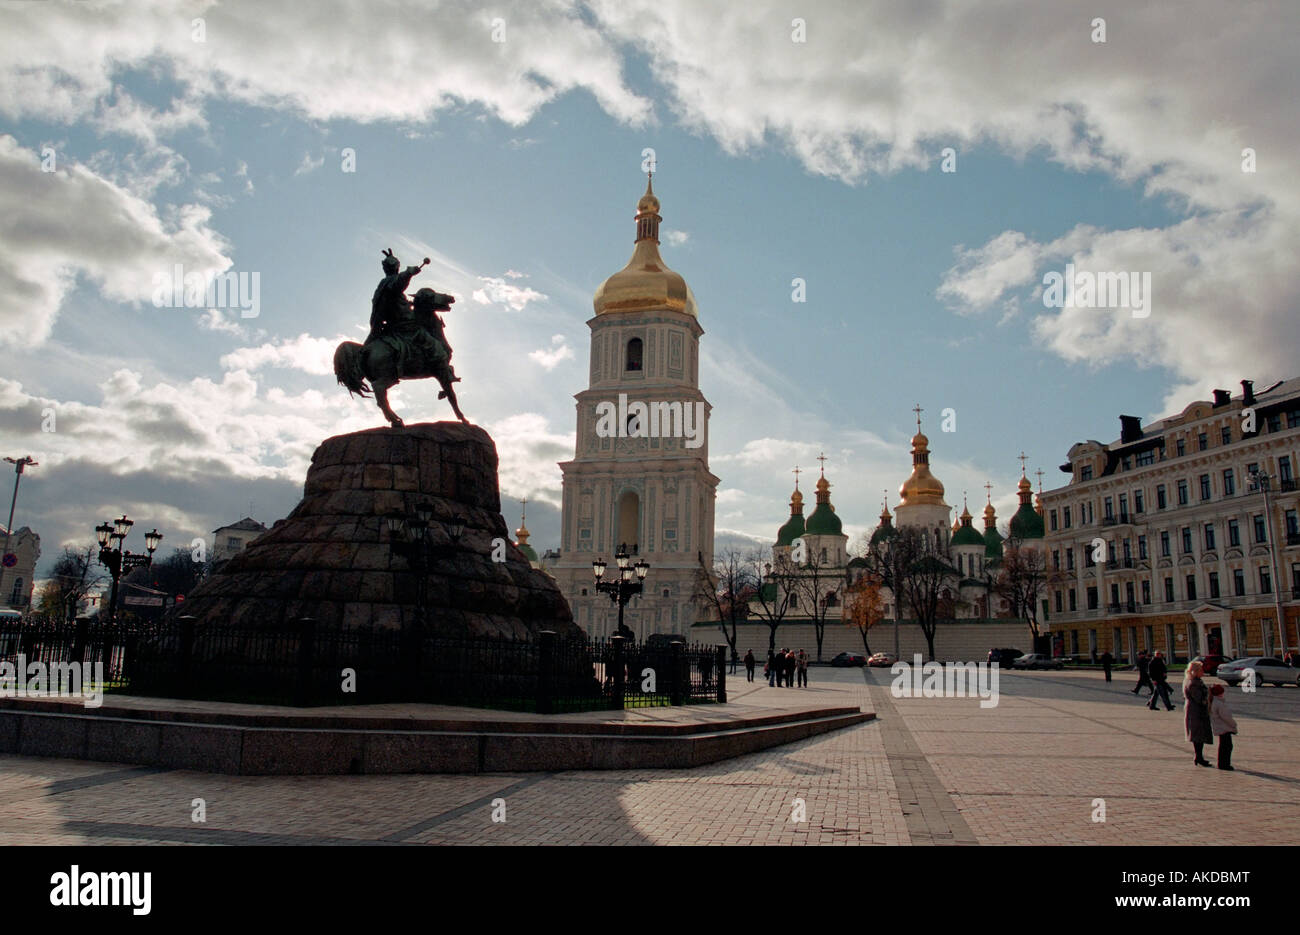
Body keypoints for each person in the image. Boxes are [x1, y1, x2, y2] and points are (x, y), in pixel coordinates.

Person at [1183, 660, 1214, 766]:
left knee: (1199, 735)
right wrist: (1209, 695)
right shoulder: (1193, 683)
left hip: (1197, 710)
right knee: (1197, 734)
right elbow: (1199, 698)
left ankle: (1199, 757)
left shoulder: (1196, 681)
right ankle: (1198, 757)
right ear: (1195, 671)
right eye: (1201, 670)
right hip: (1195, 711)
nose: (1203, 671)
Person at [1209, 683, 1238, 771]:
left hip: (1220, 727)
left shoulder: (1213, 701)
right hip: (1224, 727)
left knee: (1223, 746)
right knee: (1227, 747)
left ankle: (1222, 763)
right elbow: (1226, 717)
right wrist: (1234, 724)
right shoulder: (1219, 703)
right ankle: (1224, 764)